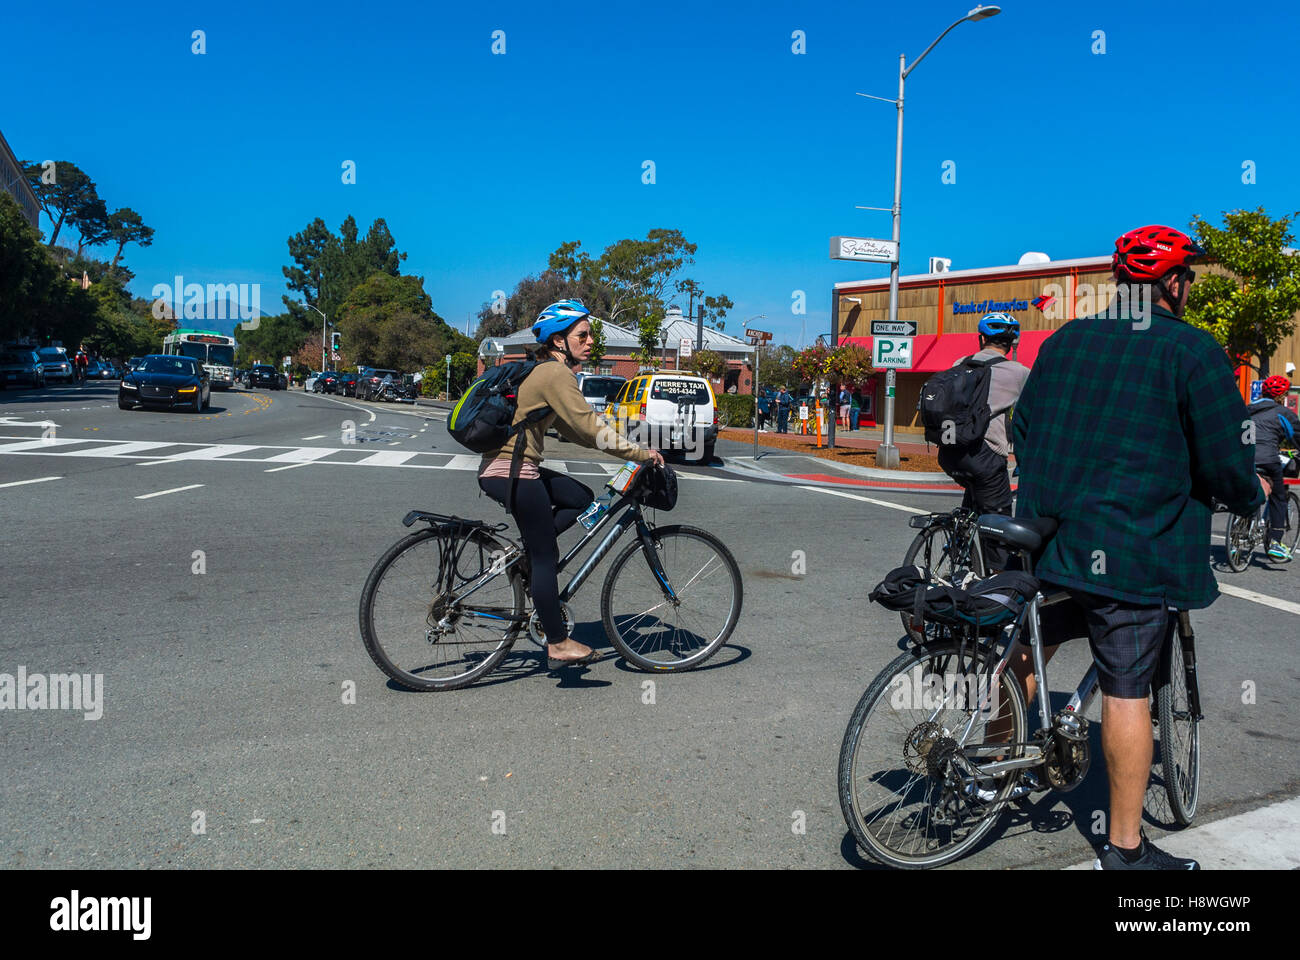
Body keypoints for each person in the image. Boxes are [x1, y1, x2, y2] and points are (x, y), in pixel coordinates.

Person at [1010, 224, 1265, 870]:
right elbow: (1225, 457)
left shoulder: (1065, 341)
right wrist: (1250, 494)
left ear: (1122, 282)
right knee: (1129, 690)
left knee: (1032, 641)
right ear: (1173, 283)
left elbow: (1025, 426)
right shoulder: (1191, 351)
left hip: (1051, 538)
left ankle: (1001, 765)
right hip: (1131, 550)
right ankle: (1124, 851)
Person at [477, 299, 664, 668]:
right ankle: (558, 643)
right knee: (547, 557)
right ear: (559, 340)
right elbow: (589, 429)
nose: (591, 340)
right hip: (513, 471)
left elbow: (572, 430)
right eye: (583, 334)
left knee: (580, 498)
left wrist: (623, 446)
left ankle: (528, 554)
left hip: (506, 468)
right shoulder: (555, 374)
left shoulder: (545, 372)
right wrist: (640, 454)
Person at [937, 312, 1030, 571]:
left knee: (975, 492)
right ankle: (995, 589)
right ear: (1012, 343)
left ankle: (959, 544)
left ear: (981, 339)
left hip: (949, 452)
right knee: (998, 527)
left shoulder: (960, 363)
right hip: (986, 455)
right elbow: (1035, 413)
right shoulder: (1020, 372)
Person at [1246, 374, 1300, 560]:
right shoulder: (1283, 413)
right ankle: (1276, 542)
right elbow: (1297, 436)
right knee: (1279, 495)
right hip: (1268, 459)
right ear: (1283, 395)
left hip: (1243, 458)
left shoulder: (1247, 409)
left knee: (1246, 489)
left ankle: (1240, 533)